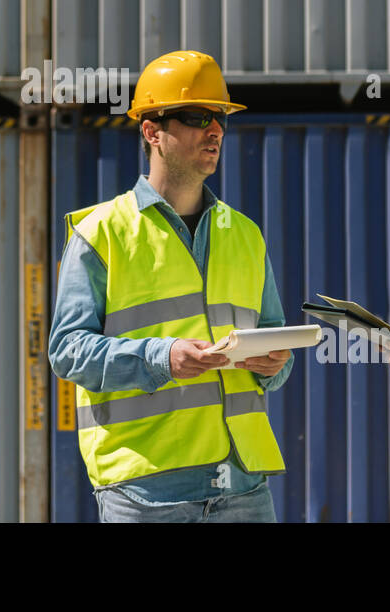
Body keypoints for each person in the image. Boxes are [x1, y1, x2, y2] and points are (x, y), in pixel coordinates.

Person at [49, 50, 292, 523]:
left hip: (243, 484)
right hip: (145, 492)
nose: (215, 130)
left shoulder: (244, 234)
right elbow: (67, 350)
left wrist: (272, 365)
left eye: (220, 117)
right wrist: (163, 358)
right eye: (198, 116)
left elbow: (274, 348)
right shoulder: (100, 234)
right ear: (151, 131)